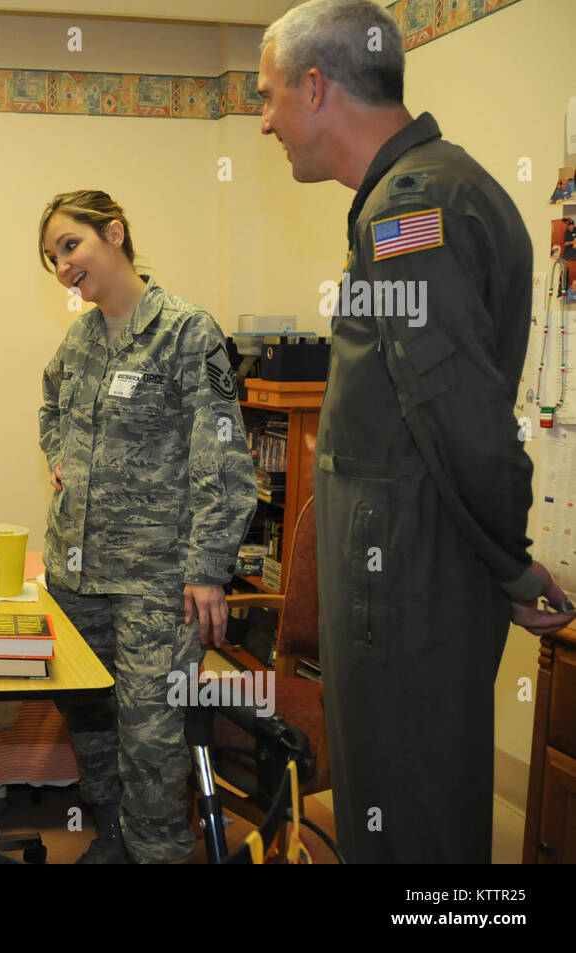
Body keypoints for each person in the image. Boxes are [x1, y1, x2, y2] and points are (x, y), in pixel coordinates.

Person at [258, 0, 575, 863]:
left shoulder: (411, 207)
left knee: (409, 819)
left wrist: (508, 560)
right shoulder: (415, 194)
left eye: (269, 96)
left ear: (316, 88)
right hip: (410, 566)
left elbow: (457, 413)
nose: (263, 120)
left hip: (408, 576)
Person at [37, 190, 257, 863]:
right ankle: (114, 841)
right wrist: (59, 460)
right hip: (76, 575)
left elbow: (222, 456)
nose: (62, 266)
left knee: (152, 741)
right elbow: (50, 407)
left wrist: (207, 569)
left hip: (157, 586)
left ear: (114, 233)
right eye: (50, 258)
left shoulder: (190, 332)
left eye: (69, 245)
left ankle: (158, 851)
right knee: (94, 724)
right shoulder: (80, 336)